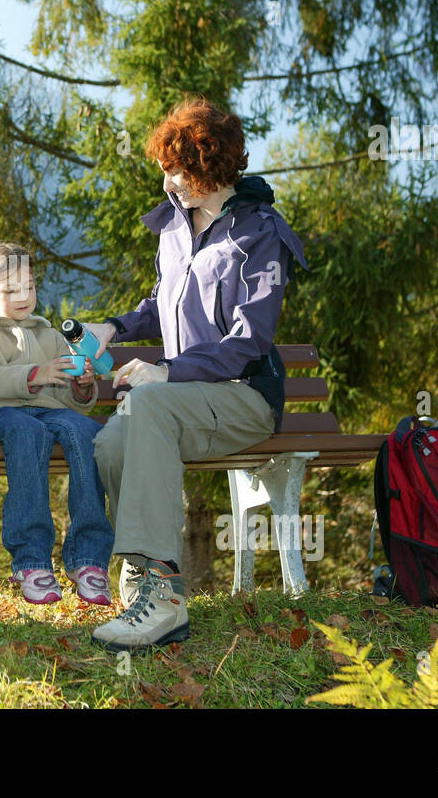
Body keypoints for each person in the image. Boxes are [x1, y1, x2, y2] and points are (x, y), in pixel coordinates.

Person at [85, 97, 307, 651]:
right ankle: (142, 574)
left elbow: (248, 341)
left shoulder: (261, 233)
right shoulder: (173, 229)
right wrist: (114, 325)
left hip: (242, 396)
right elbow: (160, 301)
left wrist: (167, 371)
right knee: (112, 441)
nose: (171, 183)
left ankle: (163, 600)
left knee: (147, 405)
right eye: (166, 170)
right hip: (182, 397)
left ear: (214, 166)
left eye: (181, 171)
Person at [0, 242, 114, 607]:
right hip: (1, 411)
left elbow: (69, 400)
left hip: (48, 410)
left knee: (87, 433)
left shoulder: (50, 335)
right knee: (28, 432)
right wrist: (35, 374)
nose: (23, 296)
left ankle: (89, 559)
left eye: (29, 287)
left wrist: (81, 387)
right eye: (11, 289)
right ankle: (32, 561)